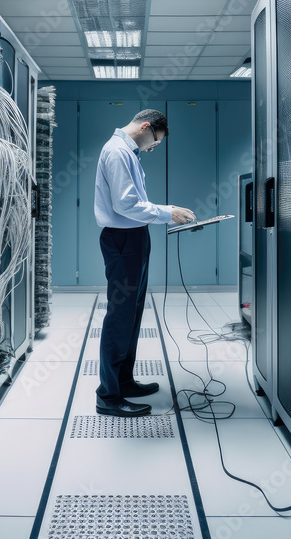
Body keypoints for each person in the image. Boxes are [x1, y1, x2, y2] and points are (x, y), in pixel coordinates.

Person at [93, 109, 195, 417]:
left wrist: (164, 214)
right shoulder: (117, 152)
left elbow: (132, 203)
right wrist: (168, 212)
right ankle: (108, 396)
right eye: (155, 142)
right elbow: (124, 204)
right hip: (123, 240)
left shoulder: (126, 152)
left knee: (132, 314)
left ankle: (124, 381)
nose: (152, 148)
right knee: (120, 316)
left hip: (134, 238)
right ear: (146, 127)